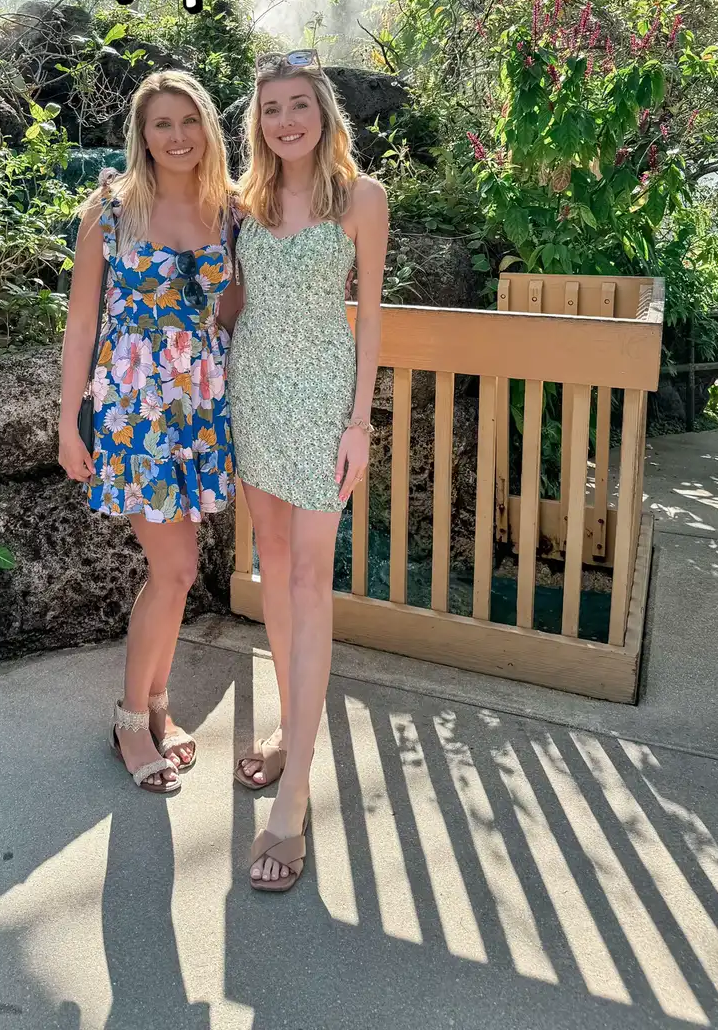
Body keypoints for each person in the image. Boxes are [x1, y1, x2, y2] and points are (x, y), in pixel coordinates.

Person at [228, 49, 388, 890]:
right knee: (275, 566)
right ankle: (292, 730)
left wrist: (360, 422)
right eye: (271, 109)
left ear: (324, 112)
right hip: (254, 392)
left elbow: (370, 319)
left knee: (310, 580)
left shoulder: (361, 199)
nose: (285, 120)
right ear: (257, 122)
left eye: (299, 105)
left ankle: (294, 794)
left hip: (324, 403)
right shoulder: (246, 201)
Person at [58, 69, 238, 794]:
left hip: (197, 409)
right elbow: (80, 325)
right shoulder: (107, 210)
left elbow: (231, 314)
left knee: (183, 568)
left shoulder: (226, 211)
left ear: (207, 128)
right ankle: (132, 721)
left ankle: (158, 708)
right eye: (162, 124)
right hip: (133, 411)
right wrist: (70, 423)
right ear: (142, 133)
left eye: (189, 121)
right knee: (174, 568)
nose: (178, 136)